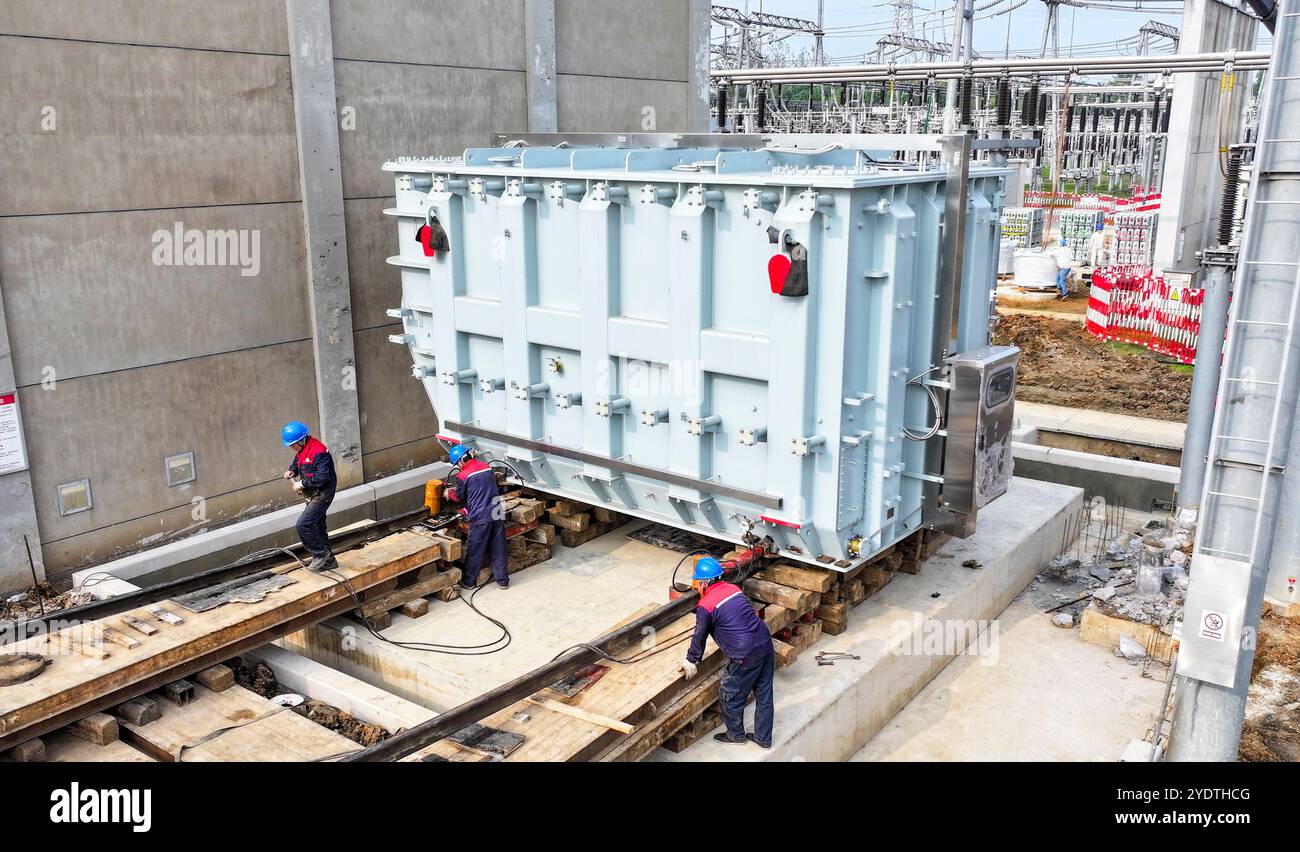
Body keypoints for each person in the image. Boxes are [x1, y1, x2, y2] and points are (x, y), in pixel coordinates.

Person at [677, 557, 775, 748]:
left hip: (745, 655)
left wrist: (691, 660)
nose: (697, 586)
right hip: (765, 643)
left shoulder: (706, 605)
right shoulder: (733, 589)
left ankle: (736, 735)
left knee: (730, 694)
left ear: (705, 582)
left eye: (698, 582)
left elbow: (700, 635)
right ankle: (763, 739)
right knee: (764, 695)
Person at [445, 444, 509, 590]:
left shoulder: (462, 475)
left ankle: (468, 582)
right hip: (496, 512)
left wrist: (448, 493)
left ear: (460, 461)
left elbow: (459, 496)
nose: (458, 467)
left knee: (475, 550)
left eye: (457, 464)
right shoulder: (486, 467)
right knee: (499, 547)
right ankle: (503, 581)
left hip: (480, 517)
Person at [280, 420, 337, 571]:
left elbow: (322, 477)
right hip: (313, 493)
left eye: (293, 445)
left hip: (322, 494)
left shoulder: (318, 451)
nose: (292, 448)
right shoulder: (303, 449)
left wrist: (302, 484)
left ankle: (321, 555)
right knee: (317, 524)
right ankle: (329, 560)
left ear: (301, 440)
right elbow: (298, 461)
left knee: (303, 524)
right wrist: (293, 471)